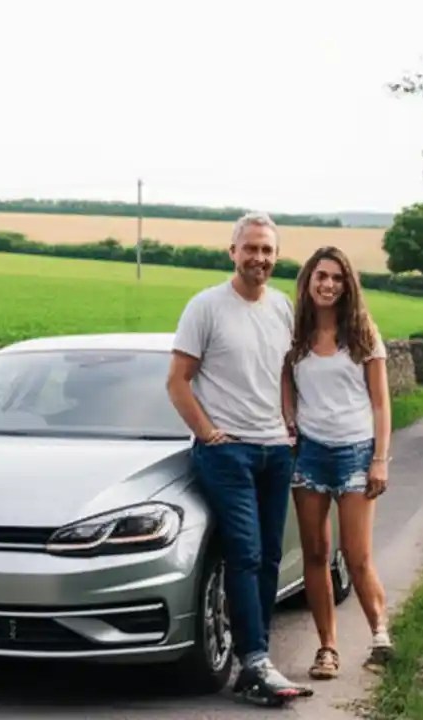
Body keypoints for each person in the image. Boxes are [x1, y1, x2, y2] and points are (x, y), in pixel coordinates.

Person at [167, 212, 313, 704]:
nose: (259, 258)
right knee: (245, 555)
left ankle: (259, 658)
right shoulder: (206, 307)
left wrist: (290, 425)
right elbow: (177, 381)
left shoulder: (282, 309)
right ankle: (252, 661)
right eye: (250, 248)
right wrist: (208, 434)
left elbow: (285, 373)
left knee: (270, 555)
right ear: (232, 251)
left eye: (267, 250)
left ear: (276, 256)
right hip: (227, 454)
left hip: (276, 449)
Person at [279, 245, 394, 680]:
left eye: (336, 278)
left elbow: (382, 405)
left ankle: (380, 635)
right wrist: (289, 420)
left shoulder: (364, 334)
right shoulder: (296, 337)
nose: (327, 284)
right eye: (320, 276)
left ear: (347, 286)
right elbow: (285, 382)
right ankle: (327, 649)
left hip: (355, 453)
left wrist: (380, 460)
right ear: (308, 283)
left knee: (356, 554)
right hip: (309, 454)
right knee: (315, 553)